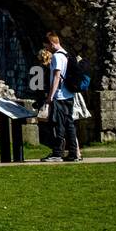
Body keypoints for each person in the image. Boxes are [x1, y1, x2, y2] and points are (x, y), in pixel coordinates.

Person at [41, 31, 81, 162]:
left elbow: (57, 76)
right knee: (69, 124)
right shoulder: (66, 54)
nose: (46, 49)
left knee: (58, 125)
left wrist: (50, 97)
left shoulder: (57, 57)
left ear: (52, 44)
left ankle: (57, 153)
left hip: (59, 95)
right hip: (69, 94)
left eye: (46, 46)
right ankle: (74, 153)